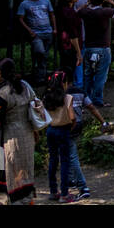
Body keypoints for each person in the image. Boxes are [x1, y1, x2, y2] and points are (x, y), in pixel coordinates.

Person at [0, 58, 38, 204]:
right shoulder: (25, 86)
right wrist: (36, 131)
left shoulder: (3, 94)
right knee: (23, 176)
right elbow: (35, 108)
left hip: (7, 142)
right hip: (27, 137)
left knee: (0, 178)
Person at [81, 0, 114, 118]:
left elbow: (77, 11)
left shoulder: (86, 12)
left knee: (88, 75)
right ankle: (97, 100)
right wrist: (111, 2)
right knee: (100, 75)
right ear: (102, 0)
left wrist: (87, 3)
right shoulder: (104, 11)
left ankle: (86, 99)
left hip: (88, 48)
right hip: (102, 48)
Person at [44, 70, 83, 202]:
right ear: (64, 83)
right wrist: (71, 126)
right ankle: (64, 193)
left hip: (50, 130)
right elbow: (73, 117)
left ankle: (53, 191)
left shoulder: (47, 97)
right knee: (65, 161)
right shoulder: (67, 98)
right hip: (63, 130)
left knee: (53, 160)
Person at [16, 0, 56, 85]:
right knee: (40, 52)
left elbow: (52, 15)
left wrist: (54, 28)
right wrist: (29, 30)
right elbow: (20, 19)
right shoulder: (25, 4)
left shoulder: (46, 1)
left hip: (47, 31)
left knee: (44, 56)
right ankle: (39, 76)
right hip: (36, 33)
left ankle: (40, 77)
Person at [54, 0, 83, 86]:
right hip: (69, 46)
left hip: (64, 44)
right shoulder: (68, 12)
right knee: (69, 73)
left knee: (66, 71)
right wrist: (79, 53)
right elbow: (73, 35)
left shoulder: (64, 10)